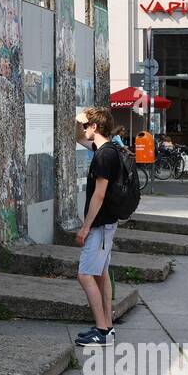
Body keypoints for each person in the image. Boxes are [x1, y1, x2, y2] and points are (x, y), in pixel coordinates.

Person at [74, 107, 122, 348]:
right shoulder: (108, 149)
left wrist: (85, 227)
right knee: (101, 274)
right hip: (107, 224)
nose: (83, 129)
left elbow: (99, 195)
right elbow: (78, 136)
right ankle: (108, 328)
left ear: (95, 128)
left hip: (100, 225)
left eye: (86, 126)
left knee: (85, 274)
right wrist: (79, 119)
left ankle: (102, 331)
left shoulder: (103, 156)